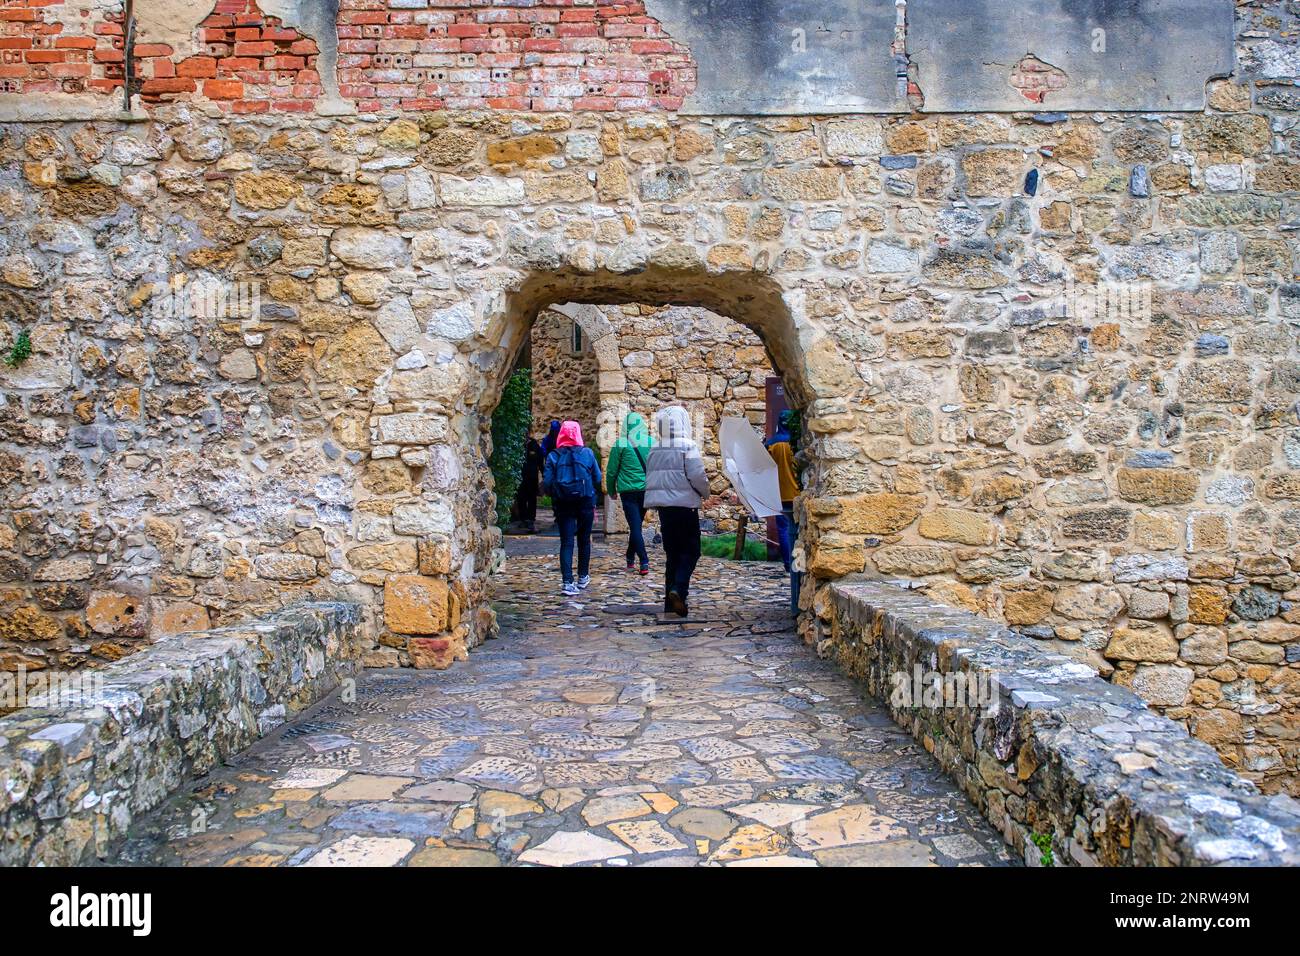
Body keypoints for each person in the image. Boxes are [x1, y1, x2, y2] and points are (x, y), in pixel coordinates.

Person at [644, 406, 709, 618]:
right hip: (685, 507)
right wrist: (705, 493)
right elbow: (697, 475)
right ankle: (679, 589)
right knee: (691, 550)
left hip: (665, 509)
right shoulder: (687, 446)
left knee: (672, 554)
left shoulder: (655, 448)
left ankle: (670, 604)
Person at [543, 420, 602, 597]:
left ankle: (568, 582)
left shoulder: (554, 455)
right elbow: (598, 478)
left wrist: (556, 493)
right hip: (585, 502)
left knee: (567, 542)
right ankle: (583, 576)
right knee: (584, 540)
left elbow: (546, 483)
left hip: (563, 503)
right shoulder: (588, 454)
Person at [605, 411, 653, 575]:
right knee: (636, 525)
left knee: (635, 526)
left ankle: (644, 561)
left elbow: (611, 471)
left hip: (628, 492)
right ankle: (630, 557)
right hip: (646, 491)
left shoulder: (620, 444)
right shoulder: (651, 442)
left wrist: (611, 490)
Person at [765, 409, 803, 614]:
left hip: (779, 493)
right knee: (798, 531)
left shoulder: (772, 444)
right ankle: (797, 565)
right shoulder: (798, 443)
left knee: (783, 529)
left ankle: (789, 563)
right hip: (797, 492)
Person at [513, 435, 545, 533]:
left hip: (532, 477)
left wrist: (543, 473)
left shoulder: (534, 445)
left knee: (531, 498)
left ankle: (531, 519)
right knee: (521, 498)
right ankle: (523, 519)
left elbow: (540, 460)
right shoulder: (517, 443)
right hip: (520, 477)